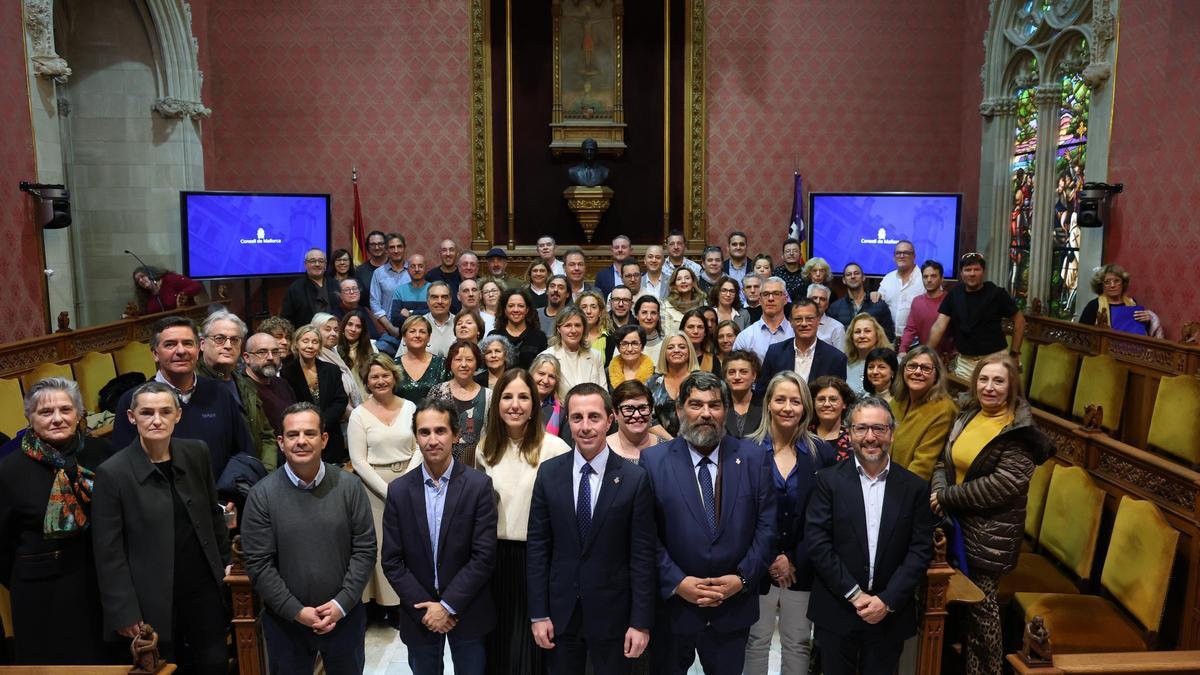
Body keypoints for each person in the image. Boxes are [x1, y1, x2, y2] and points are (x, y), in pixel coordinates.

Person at [640, 372, 776, 675]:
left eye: (714, 405)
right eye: (696, 404)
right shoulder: (653, 461)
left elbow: (767, 529)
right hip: (674, 609)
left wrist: (741, 579)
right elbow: (646, 535)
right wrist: (677, 582)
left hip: (733, 608)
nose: (705, 413)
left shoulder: (754, 459)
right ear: (679, 410)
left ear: (726, 410)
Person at [93, 381, 232, 673]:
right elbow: (109, 553)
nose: (156, 420)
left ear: (177, 415)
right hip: (152, 599)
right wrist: (124, 610)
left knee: (215, 664)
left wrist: (226, 564)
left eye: (165, 412)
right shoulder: (112, 472)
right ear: (132, 417)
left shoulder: (197, 452)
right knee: (168, 667)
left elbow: (212, 515)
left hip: (203, 589)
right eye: (147, 413)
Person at [930, 355, 1053, 675]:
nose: (989, 387)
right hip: (956, 524)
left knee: (982, 612)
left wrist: (945, 497)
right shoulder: (968, 413)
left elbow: (1003, 485)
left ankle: (987, 671)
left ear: (1012, 387)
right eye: (983, 379)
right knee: (962, 612)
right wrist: (939, 491)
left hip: (989, 534)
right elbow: (944, 461)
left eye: (999, 381)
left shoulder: (1020, 431)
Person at [527, 383, 655, 674]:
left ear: (609, 420)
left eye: (594, 417)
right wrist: (538, 614)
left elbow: (642, 557)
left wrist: (640, 622)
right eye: (577, 418)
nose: (585, 427)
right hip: (560, 614)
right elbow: (538, 548)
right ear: (568, 422)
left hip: (614, 616)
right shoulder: (549, 473)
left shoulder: (634, 479)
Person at [241, 403, 376, 675]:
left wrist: (341, 604)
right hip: (286, 624)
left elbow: (365, 550)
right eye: (293, 435)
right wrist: (296, 611)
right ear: (281, 442)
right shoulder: (261, 495)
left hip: (344, 617)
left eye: (309, 433)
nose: (301, 441)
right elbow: (259, 564)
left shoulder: (350, 487)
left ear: (324, 439)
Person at [804, 397, 935, 675]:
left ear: (891, 433)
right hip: (838, 608)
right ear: (849, 433)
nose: (870, 437)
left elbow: (920, 550)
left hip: (889, 615)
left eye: (879, 428)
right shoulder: (827, 481)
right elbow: (817, 543)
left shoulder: (914, 488)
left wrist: (886, 601)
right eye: (861, 428)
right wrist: (854, 594)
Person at [381, 399, 499, 675]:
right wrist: (428, 610)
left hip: (467, 608)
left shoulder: (478, 486)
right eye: (424, 432)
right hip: (419, 612)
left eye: (440, 431)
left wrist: (447, 606)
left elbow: (483, 556)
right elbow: (392, 561)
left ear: (455, 435)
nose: (432, 440)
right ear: (416, 437)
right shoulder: (399, 491)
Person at [0, 378, 110, 664]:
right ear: (30, 417)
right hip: (41, 594)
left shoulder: (102, 454)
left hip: (102, 585)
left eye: (66, 409)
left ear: (79, 413)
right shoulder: (8, 471)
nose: (57, 418)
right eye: (45, 412)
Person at [476, 370, 572, 675]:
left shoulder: (556, 449)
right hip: (495, 560)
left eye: (523, 397)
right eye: (507, 397)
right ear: (496, 404)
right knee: (499, 645)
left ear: (535, 404)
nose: (515, 405)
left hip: (538, 558)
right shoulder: (485, 449)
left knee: (533, 648)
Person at [745, 372, 837, 675]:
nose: (787, 407)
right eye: (780, 400)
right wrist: (770, 557)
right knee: (755, 641)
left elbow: (824, 516)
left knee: (798, 643)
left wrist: (794, 558)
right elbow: (741, 515)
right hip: (757, 566)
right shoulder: (746, 450)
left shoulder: (822, 453)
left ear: (805, 407)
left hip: (803, 566)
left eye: (795, 401)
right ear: (768, 404)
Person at [111, 316, 255, 494]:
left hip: (221, 502)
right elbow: (124, 468)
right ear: (155, 353)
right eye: (170, 344)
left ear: (198, 348)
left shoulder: (220, 393)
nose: (181, 351)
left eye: (187, 343)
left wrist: (233, 494)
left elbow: (244, 452)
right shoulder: (134, 401)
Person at [347, 354, 418, 617]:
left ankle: (406, 602)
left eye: (385, 375)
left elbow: (419, 447)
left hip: (410, 483)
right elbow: (358, 460)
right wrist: (389, 492)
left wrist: (405, 483)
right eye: (374, 377)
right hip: (375, 489)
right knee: (380, 546)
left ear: (394, 377)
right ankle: (381, 605)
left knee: (409, 544)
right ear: (366, 381)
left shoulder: (410, 408)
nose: (380, 381)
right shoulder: (358, 415)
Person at [197, 310, 280, 473]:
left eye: (235, 340)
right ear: (202, 343)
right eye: (219, 339)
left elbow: (266, 435)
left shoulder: (245, 383)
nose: (228, 345)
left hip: (255, 474)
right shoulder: (192, 384)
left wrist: (265, 472)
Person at [929, 253, 1025, 379]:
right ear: (961, 273)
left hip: (995, 359)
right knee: (960, 392)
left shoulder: (996, 293)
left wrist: (1014, 353)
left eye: (976, 269)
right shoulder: (954, 294)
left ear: (983, 272)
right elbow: (939, 325)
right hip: (965, 362)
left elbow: (1020, 320)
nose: (972, 273)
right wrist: (926, 352)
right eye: (967, 270)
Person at [281, 324, 350, 464]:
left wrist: (322, 423)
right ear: (296, 344)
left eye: (315, 342)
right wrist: (309, 425)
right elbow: (289, 404)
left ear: (319, 346)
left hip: (330, 434)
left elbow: (340, 400)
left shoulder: (332, 370)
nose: (310, 346)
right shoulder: (287, 372)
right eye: (305, 341)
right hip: (302, 437)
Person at [889, 346, 957, 480]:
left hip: (908, 485)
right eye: (912, 366)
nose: (917, 372)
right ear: (903, 370)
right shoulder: (898, 399)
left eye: (926, 368)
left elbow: (923, 465)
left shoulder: (944, 409)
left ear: (936, 375)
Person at [758, 298, 848, 392]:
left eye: (809, 318)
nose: (804, 323)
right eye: (798, 319)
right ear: (790, 322)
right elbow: (762, 392)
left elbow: (838, 395)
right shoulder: (775, 353)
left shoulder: (836, 358)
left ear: (818, 320)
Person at [428, 340, 491, 467]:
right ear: (450, 363)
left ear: (477, 363)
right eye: (458, 359)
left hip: (477, 465)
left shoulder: (489, 395)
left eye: (469, 360)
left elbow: (493, 434)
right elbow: (427, 427)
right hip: (440, 463)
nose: (463, 364)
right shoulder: (437, 391)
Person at [242, 332, 297, 468]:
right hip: (263, 463)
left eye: (275, 352)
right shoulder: (241, 389)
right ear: (247, 357)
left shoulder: (282, 383)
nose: (271, 357)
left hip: (291, 458)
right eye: (262, 352)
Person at [1077, 263, 1162, 335]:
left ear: (1123, 283)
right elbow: (1080, 334)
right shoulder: (1094, 306)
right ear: (1101, 286)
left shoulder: (1132, 303)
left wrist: (1147, 322)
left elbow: (1139, 331)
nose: (1112, 285)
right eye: (1107, 282)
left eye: (1117, 281)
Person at [540, 305, 606, 393]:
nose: (573, 330)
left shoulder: (596, 355)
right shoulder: (546, 357)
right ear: (558, 329)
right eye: (568, 326)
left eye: (578, 325)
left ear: (584, 328)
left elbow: (604, 393)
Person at [312, 312, 366, 417]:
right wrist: (358, 418)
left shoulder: (334, 352)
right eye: (327, 329)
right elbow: (334, 398)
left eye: (336, 330)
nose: (333, 333)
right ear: (315, 331)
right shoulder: (315, 359)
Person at [827, 262, 895, 341]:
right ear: (844, 280)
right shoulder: (835, 308)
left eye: (856, 273)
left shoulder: (879, 305)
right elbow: (831, 336)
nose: (853, 276)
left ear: (863, 277)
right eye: (848, 274)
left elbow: (888, 336)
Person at [732, 276, 793, 362]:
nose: (770, 298)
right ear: (760, 300)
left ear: (785, 299)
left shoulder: (796, 333)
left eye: (776, 294)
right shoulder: (745, 337)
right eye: (766, 294)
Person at [607, 380, 671, 462]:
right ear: (615, 414)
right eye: (629, 409)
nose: (637, 415)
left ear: (651, 411)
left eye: (643, 408)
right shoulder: (601, 450)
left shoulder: (667, 450)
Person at [898, 260, 953, 356]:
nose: (929, 280)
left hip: (948, 357)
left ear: (942, 278)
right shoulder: (917, 301)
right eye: (925, 276)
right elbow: (910, 329)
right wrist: (902, 350)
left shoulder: (951, 300)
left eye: (933, 276)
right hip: (926, 356)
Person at [647, 334, 696, 438]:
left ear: (689, 351)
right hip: (661, 443)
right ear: (664, 353)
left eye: (682, 347)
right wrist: (671, 442)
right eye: (670, 347)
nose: (676, 350)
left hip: (697, 441)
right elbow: (648, 417)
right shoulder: (653, 382)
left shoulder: (702, 381)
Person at [393, 314, 448, 404]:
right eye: (412, 331)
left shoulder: (442, 364)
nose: (417, 335)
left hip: (435, 412)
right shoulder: (393, 366)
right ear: (404, 337)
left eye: (422, 332)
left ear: (429, 337)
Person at [493, 287, 550, 370]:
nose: (516, 310)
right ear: (505, 310)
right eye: (511, 306)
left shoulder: (539, 337)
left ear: (527, 310)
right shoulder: (494, 336)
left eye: (521, 306)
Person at [877, 240, 923, 340]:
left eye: (906, 253)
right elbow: (878, 302)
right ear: (894, 256)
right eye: (898, 253)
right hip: (889, 339)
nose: (901, 256)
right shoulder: (888, 278)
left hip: (916, 341)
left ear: (914, 256)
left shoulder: (925, 278)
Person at [370, 234, 412, 339]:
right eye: (392, 247)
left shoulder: (414, 270)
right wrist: (390, 328)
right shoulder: (378, 273)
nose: (396, 251)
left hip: (414, 329)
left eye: (399, 246)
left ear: (404, 248)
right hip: (389, 332)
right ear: (386, 251)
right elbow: (374, 303)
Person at [281, 248, 335, 328]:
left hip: (333, 332)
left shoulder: (335, 285)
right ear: (305, 264)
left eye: (321, 261)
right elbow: (286, 319)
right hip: (306, 334)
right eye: (313, 261)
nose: (317, 264)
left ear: (325, 265)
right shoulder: (295, 288)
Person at [844, 313, 894, 396]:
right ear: (851, 337)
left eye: (867, 331)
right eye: (857, 332)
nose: (862, 336)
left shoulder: (893, 361)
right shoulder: (844, 364)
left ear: (877, 335)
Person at [809, 376, 855, 461]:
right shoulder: (802, 435)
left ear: (844, 404)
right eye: (821, 399)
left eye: (833, 399)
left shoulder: (853, 439)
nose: (826, 404)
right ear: (813, 403)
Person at [530, 354, 570, 442]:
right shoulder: (518, 403)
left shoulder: (562, 413)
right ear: (531, 374)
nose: (545, 380)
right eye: (541, 374)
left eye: (551, 376)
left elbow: (566, 447)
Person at [723, 349, 762, 439]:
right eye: (732, 372)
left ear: (754, 375)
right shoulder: (719, 404)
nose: (737, 377)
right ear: (725, 377)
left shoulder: (765, 405)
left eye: (743, 372)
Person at [132, 265, 204, 314]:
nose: (140, 280)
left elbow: (196, 286)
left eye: (142, 276)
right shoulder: (145, 296)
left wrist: (183, 294)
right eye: (138, 280)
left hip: (185, 319)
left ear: (151, 274)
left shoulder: (170, 279)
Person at [608, 324, 654, 389]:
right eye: (624, 344)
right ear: (618, 348)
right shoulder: (607, 373)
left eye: (635, 343)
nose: (630, 349)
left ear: (642, 347)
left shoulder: (654, 374)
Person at [661, 267, 705, 335]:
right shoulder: (666, 306)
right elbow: (666, 335)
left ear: (693, 282)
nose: (683, 281)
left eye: (687, 278)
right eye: (679, 279)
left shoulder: (703, 303)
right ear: (674, 284)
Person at [337, 309, 377, 382]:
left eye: (358, 326)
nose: (353, 329)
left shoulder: (371, 348)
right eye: (350, 324)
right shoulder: (334, 349)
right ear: (344, 326)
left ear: (362, 331)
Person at [806, 283, 847, 353]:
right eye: (814, 298)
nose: (818, 302)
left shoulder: (837, 328)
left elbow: (841, 357)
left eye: (822, 299)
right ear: (807, 301)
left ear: (827, 305)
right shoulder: (797, 323)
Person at [354, 230, 389, 310]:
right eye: (373, 244)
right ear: (368, 247)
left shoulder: (395, 266)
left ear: (385, 246)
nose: (377, 247)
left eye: (380, 244)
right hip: (368, 315)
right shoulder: (360, 271)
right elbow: (358, 299)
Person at [424, 281, 457, 358]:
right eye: (434, 297)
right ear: (427, 301)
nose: (439, 301)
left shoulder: (460, 323)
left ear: (450, 300)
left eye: (444, 297)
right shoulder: (416, 325)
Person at [576, 290, 611, 359]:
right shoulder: (571, 335)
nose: (588, 311)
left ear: (600, 312)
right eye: (584, 307)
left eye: (593, 307)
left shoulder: (609, 337)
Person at [634, 295, 665, 365]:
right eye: (644, 312)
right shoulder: (625, 342)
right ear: (637, 315)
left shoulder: (666, 345)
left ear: (658, 316)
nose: (649, 317)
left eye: (653, 313)